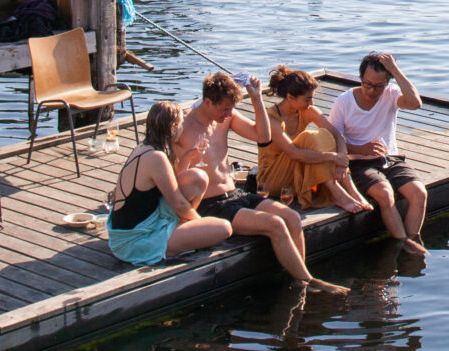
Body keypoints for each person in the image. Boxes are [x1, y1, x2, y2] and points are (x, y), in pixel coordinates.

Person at [175, 71, 342, 289]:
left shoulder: (226, 118)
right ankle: (307, 281)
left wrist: (256, 98)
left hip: (237, 194)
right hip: (211, 204)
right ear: (208, 102)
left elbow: (263, 137)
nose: (228, 113)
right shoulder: (182, 124)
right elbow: (167, 167)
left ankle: (299, 276)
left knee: (291, 218)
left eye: (231, 109)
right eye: (225, 108)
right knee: (275, 224)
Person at [106, 101, 237, 264]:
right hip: (134, 241)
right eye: (181, 123)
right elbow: (179, 205)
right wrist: (200, 223)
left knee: (197, 177)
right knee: (224, 228)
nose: (183, 127)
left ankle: (182, 232)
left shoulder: (145, 148)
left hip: (140, 224)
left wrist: (186, 159)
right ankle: (177, 241)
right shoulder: (156, 157)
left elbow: (172, 186)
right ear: (173, 127)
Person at [328, 52, 429, 257]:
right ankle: (405, 245)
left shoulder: (390, 94)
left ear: (387, 83)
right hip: (359, 162)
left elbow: (415, 103)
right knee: (385, 194)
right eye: (367, 84)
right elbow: (331, 142)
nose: (372, 91)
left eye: (378, 86)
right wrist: (360, 149)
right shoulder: (344, 102)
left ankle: (411, 239)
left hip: (389, 159)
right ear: (361, 79)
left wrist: (396, 70)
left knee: (419, 193)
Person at [259, 67, 371, 214]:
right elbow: (294, 153)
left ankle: (352, 190)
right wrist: (332, 157)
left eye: (312, 98)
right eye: (307, 99)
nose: (311, 103)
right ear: (290, 97)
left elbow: (337, 136)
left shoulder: (307, 110)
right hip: (272, 181)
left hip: (296, 173)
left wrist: (342, 161)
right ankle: (337, 193)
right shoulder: (272, 119)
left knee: (325, 135)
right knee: (308, 138)